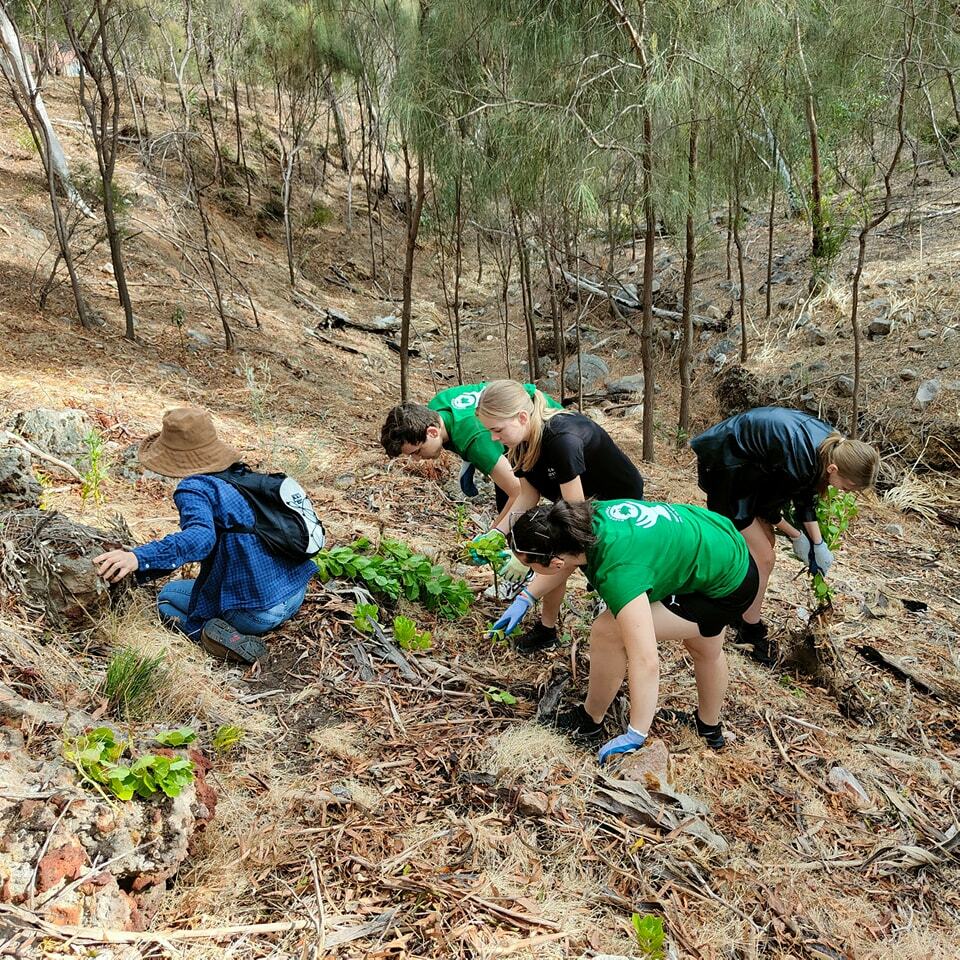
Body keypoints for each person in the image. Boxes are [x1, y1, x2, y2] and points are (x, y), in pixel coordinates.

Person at [490, 499, 759, 763]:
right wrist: (526, 597)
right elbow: (567, 559)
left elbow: (645, 659)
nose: (528, 570)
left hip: (727, 586)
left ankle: (590, 719)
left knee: (608, 630)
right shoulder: (583, 519)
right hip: (720, 544)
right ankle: (709, 728)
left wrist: (637, 733)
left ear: (554, 561)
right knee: (705, 648)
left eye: (529, 566)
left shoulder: (619, 572)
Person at [93, 407, 317, 664]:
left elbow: (200, 539)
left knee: (167, 597)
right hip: (294, 594)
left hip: (257, 614)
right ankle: (232, 625)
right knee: (191, 589)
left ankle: (212, 636)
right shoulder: (242, 476)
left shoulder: (195, 488)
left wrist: (137, 558)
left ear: (173, 456)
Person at [690, 406, 879, 664]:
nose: (845, 492)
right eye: (847, 487)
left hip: (752, 471)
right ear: (834, 469)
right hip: (728, 467)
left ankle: (737, 605)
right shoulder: (802, 458)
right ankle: (748, 629)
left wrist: (818, 542)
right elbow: (766, 508)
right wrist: (797, 536)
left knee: (764, 544)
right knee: (764, 557)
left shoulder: (828, 447)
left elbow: (804, 497)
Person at [476, 379, 645, 654]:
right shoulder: (521, 440)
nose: (494, 438)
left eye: (496, 430)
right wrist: (498, 532)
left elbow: (574, 522)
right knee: (552, 547)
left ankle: (618, 627)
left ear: (521, 417)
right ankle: (547, 630)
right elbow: (528, 495)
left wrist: (526, 590)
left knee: (568, 550)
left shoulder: (561, 441)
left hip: (616, 501)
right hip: (576, 498)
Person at [380, 382, 561, 588]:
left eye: (417, 452)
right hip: (509, 432)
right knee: (506, 499)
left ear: (431, 432)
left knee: (534, 514)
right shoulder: (437, 407)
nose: (416, 460)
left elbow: (520, 493)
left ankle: (528, 566)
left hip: (545, 437)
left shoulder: (475, 439)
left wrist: (491, 537)